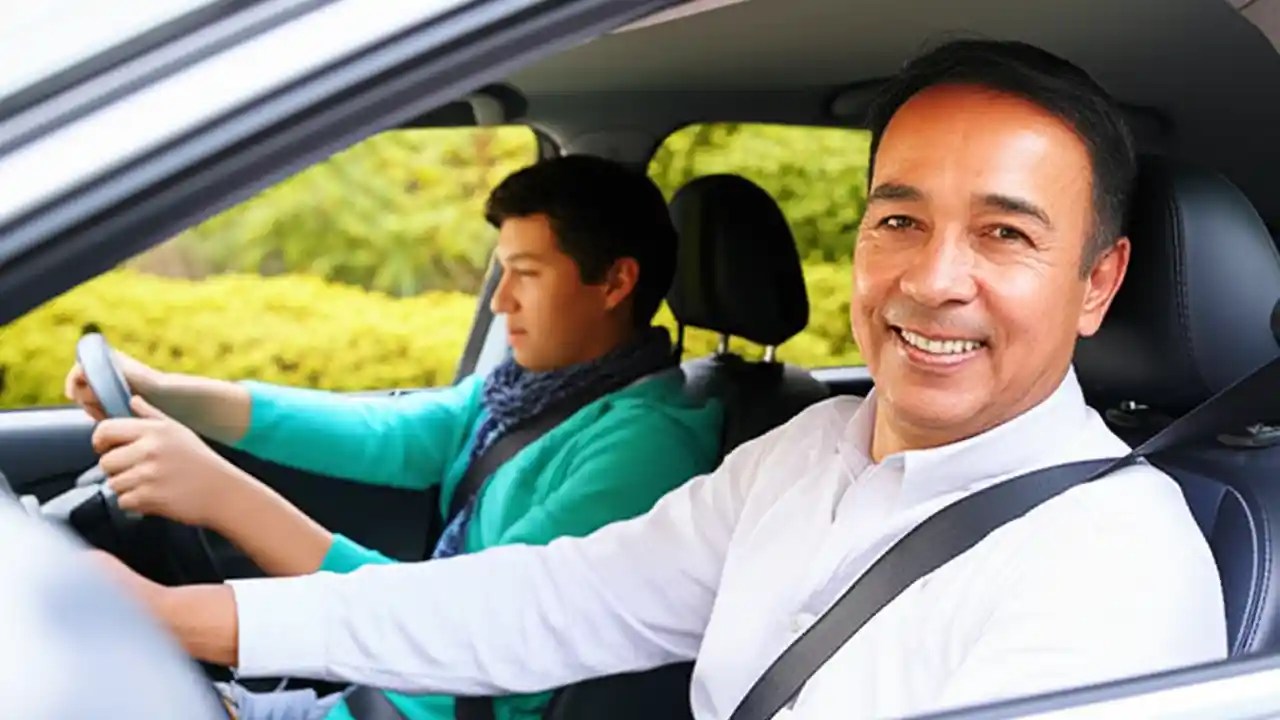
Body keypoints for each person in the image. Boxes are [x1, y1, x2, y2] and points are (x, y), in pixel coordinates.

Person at [90, 40, 1228, 719]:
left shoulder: (1115, 567)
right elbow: (543, 601)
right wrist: (190, 618)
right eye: (897, 218)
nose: (931, 281)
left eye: (1003, 236)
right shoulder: (805, 451)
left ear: (1095, 283)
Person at [70, 155, 725, 720]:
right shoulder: (535, 393)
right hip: (382, 693)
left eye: (528, 274)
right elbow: (383, 434)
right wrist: (167, 394)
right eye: (502, 273)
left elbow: (464, 621)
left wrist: (221, 498)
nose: (501, 303)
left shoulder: (644, 453)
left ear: (615, 282)